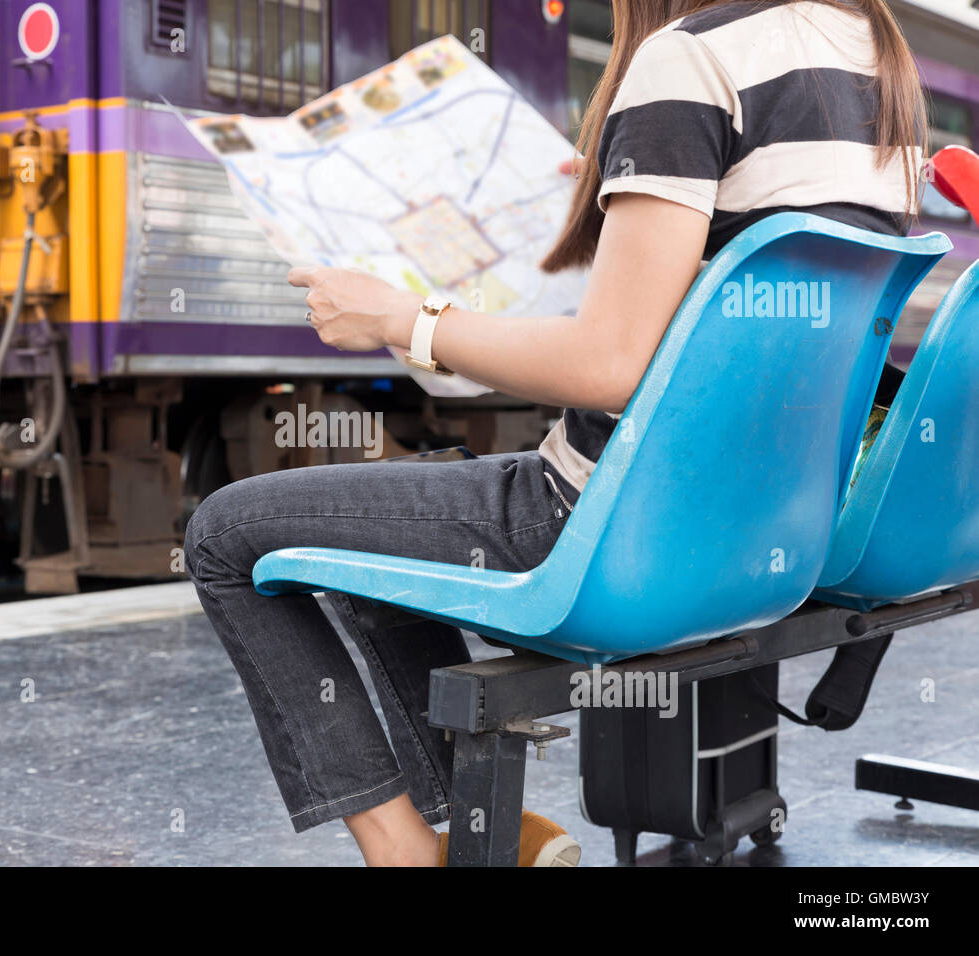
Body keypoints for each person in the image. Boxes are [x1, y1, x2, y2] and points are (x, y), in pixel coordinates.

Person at [185, 0, 924, 867]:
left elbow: (608, 366)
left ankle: (405, 852)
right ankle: (471, 829)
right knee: (380, 525)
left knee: (224, 534)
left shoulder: (688, 60)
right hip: (767, 534)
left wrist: (403, 319)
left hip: (608, 528)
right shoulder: (880, 60)